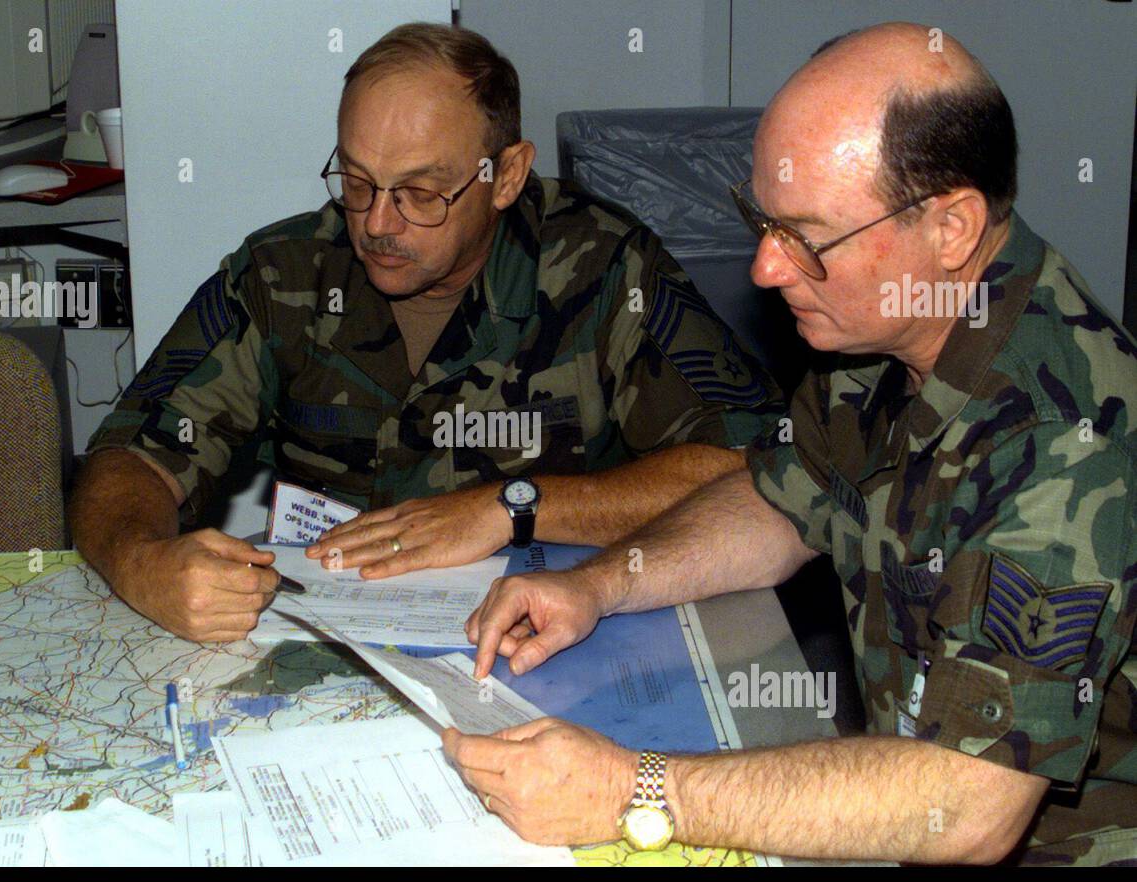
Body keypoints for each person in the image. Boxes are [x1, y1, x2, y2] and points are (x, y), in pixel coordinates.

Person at [444, 22, 1137, 865]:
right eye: (761, 221)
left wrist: (632, 790)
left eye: (806, 238)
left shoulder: (1066, 442)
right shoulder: (888, 325)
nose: (767, 269)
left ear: (952, 228)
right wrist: (601, 584)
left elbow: (966, 805)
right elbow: (783, 503)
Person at [69, 23, 780, 644]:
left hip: (546, 636)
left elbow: (753, 467)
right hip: (329, 642)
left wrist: (514, 508)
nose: (377, 223)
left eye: (419, 193)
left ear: (505, 176)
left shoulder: (601, 268)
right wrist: (145, 565)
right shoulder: (283, 276)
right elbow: (129, 458)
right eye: (356, 182)